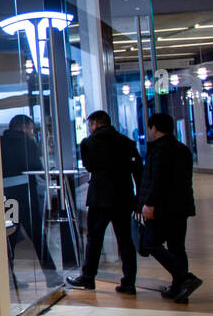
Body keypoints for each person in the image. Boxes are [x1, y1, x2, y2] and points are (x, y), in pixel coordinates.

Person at [66, 111, 141, 293]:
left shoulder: (88, 143)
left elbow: (89, 167)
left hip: (100, 198)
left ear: (94, 124)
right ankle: (129, 282)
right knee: (125, 241)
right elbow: (138, 171)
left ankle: (88, 277)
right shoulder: (127, 143)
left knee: (94, 239)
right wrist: (139, 199)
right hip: (123, 197)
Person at [138, 112, 201, 303]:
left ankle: (184, 278)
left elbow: (158, 179)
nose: (148, 131)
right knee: (176, 246)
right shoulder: (181, 148)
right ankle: (178, 288)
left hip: (163, 207)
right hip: (180, 206)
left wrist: (149, 203)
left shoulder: (159, 150)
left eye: (149, 128)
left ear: (154, 128)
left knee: (150, 243)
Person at [0, 114, 62, 287]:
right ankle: (51, 276)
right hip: (26, 197)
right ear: (24, 127)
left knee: (9, 238)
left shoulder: (0, 143)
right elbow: (37, 170)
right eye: (31, 129)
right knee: (37, 236)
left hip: (7, 197)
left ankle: (9, 279)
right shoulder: (28, 143)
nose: (32, 132)